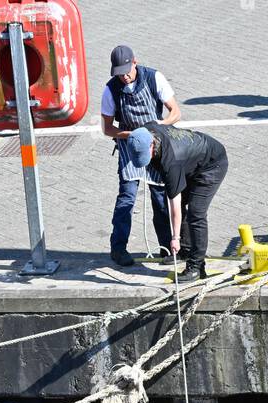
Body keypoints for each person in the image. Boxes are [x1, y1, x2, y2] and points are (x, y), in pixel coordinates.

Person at [101, 44, 181, 268]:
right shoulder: (110, 90)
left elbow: (175, 112)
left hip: (155, 146)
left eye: (127, 71)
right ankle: (118, 249)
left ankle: (166, 248)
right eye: (119, 74)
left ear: (134, 62)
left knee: (160, 197)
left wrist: (160, 126)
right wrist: (129, 134)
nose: (124, 78)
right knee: (126, 198)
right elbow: (107, 128)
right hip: (128, 147)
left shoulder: (154, 78)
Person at [125, 124, 228, 284]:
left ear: (152, 143)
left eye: (146, 155)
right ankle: (186, 251)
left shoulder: (170, 162)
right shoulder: (146, 130)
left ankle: (196, 267)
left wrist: (175, 238)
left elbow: (174, 203)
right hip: (190, 163)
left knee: (196, 213)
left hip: (212, 164)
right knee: (180, 206)